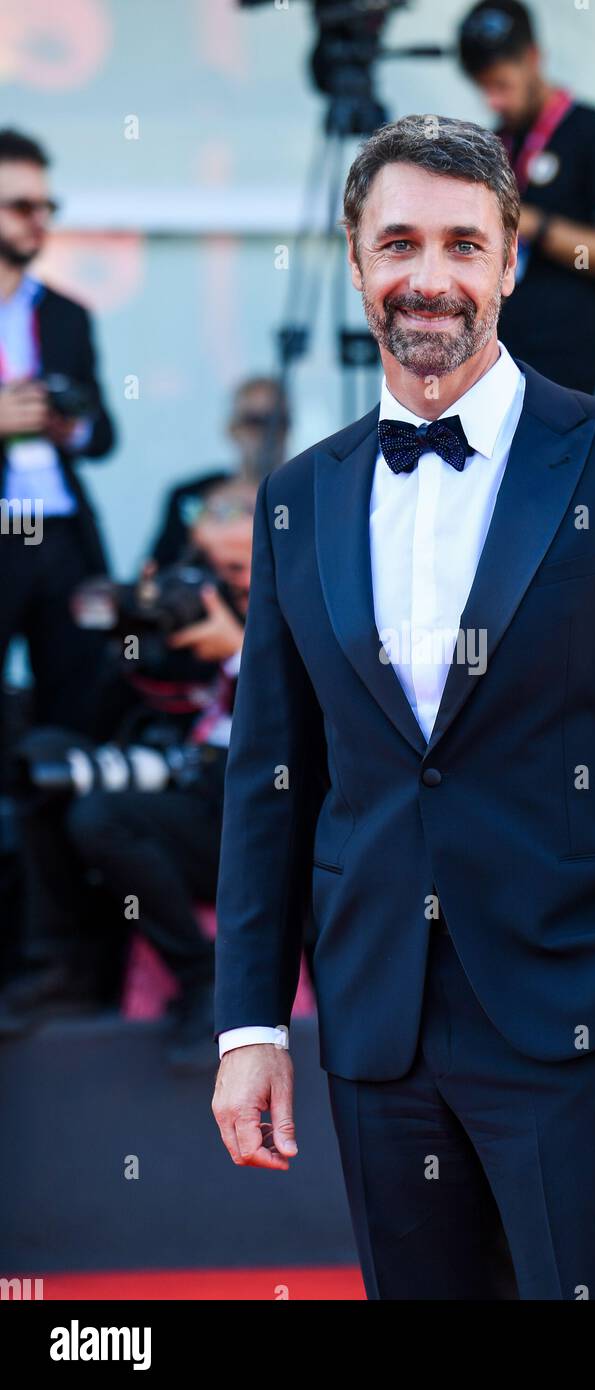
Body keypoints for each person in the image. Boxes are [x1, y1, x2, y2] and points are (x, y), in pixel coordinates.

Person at [211, 114, 595, 1301]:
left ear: (510, 262)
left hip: (583, 1017)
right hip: (374, 1029)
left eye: (463, 244)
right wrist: (249, 1024)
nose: (429, 277)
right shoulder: (298, 496)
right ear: (354, 260)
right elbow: (270, 773)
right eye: (397, 242)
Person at [0, 483, 254, 1071]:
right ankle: (61, 965)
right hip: (191, 785)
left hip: (265, 824)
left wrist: (241, 650)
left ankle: (204, 979)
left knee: (103, 816)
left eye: (239, 566)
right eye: (207, 566)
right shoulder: (206, 615)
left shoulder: (311, 603)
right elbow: (145, 708)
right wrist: (135, 636)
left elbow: (322, 718)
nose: (223, 582)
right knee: (45, 763)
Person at [457, 0, 595, 394]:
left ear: (534, 58)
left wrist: (530, 224)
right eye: (483, 89)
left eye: (501, 85)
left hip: (564, 372)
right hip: (490, 367)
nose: (493, 101)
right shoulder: (493, 144)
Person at [0, 128, 116, 739]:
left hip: (62, 529)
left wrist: (71, 427)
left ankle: (61, 832)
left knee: (76, 696)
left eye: (47, 207)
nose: (39, 221)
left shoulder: (66, 313)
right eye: (22, 206)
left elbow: (103, 436)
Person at [147, 375, 289, 570]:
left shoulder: (310, 499)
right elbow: (159, 574)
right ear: (232, 429)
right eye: (256, 422)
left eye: (279, 422)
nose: (269, 434)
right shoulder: (192, 496)